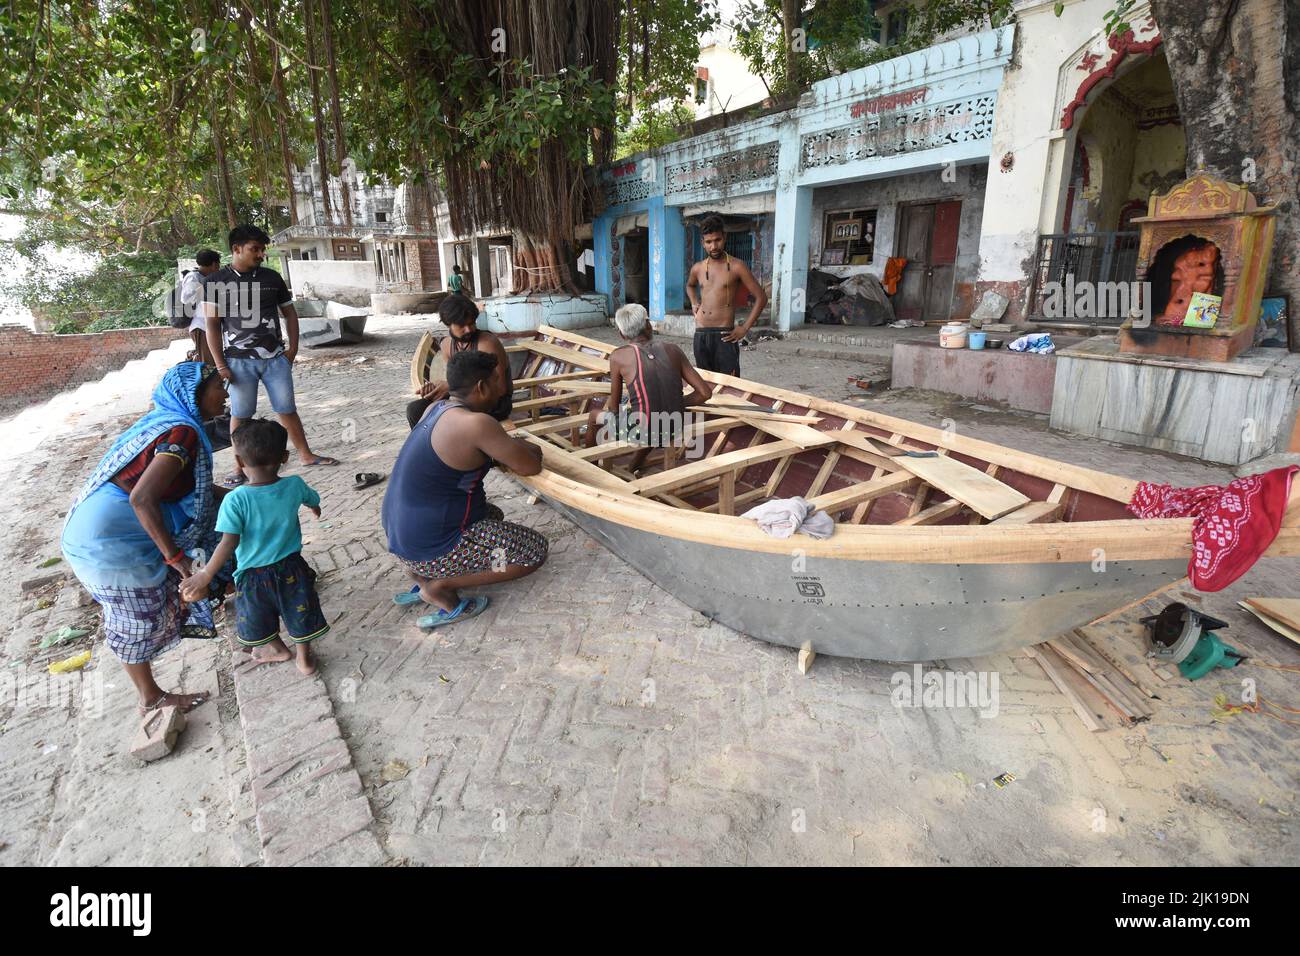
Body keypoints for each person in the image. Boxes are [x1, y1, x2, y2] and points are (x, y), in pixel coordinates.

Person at [60, 362, 234, 716]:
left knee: (207, 540)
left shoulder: (168, 423)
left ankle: (227, 588)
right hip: (109, 541)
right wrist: (175, 558)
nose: (226, 394)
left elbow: (186, 488)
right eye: (219, 386)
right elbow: (142, 498)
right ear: (194, 394)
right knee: (134, 618)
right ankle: (150, 697)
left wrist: (235, 494)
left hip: (100, 528)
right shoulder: (181, 433)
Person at [383, 350, 548, 628]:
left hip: (402, 538)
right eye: (498, 381)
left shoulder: (434, 408)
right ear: (482, 387)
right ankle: (441, 585)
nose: (503, 388)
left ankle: (422, 576)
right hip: (428, 546)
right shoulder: (477, 424)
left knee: (491, 513)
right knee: (535, 552)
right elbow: (530, 464)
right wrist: (528, 447)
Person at [181, 418, 328, 676]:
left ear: (239, 462)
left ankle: (278, 649)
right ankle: (304, 659)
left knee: (256, 617)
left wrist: (206, 574)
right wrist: (313, 506)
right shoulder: (294, 485)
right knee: (300, 611)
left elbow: (229, 542)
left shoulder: (236, 500)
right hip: (292, 568)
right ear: (284, 456)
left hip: (253, 575)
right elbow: (312, 498)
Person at [201, 224, 339, 487]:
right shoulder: (215, 282)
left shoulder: (272, 278)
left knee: (287, 409)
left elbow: (289, 314)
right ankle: (238, 466)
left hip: (275, 359)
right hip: (237, 361)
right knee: (241, 415)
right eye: (255, 249)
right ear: (236, 249)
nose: (261, 254)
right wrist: (220, 365)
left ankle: (306, 455)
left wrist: (292, 350)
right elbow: (212, 325)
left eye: (262, 249)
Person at [583, 303, 713, 473]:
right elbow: (705, 393)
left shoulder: (618, 356)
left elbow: (613, 407)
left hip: (647, 429)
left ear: (621, 335)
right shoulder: (673, 349)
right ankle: (633, 467)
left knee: (594, 416)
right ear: (649, 325)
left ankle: (590, 471)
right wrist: (675, 404)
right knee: (650, 417)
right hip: (675, 426)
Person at [406, 292, 513, 428]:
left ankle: (455, 446)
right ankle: (431, 447)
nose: (468, 329)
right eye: (462, 325)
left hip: (493, 402)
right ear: (448, 324)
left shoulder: (486, 343)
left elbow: (500, 389)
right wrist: (434, 390)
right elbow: (455, 381)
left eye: (471, 323)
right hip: (464, 399)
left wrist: (450, 387)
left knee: (449, 418)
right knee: (415, 409)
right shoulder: (446, 345)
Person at [685, 214, 769, 376]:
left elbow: (761, 298)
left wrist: (744, 328)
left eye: (717, 240)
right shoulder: (698, 268)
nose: (713, 246)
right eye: (708, 242)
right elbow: (689, 286)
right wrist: (694, 302)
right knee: (706, 384)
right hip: (701, 334)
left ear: (725, 237)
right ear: (702, 243)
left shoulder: (737, 266)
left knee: (730, 386)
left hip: (725, 335)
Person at [181, 249, 221, 363]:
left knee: (211, 359)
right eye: (218, 264)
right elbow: (185, 298)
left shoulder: (205, 277)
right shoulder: (193, 277)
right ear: (214, 264)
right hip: (201, 327)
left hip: (208, 325)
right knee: (207, 362)